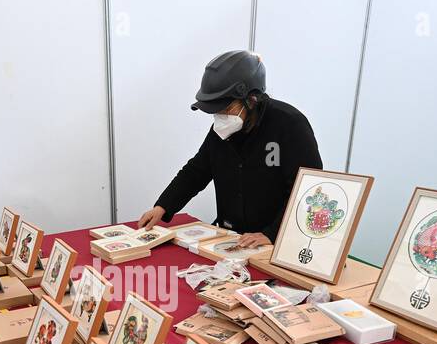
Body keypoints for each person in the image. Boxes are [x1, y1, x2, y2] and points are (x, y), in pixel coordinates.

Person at [138, 51, 322, 248]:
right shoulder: (225, 128)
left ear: (251, 100)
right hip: (232, 238)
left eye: (226, 109)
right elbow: (196, 171)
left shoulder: (289, 124)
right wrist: (163, 206)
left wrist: (272, 234)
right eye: (215, 111)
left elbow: (308, 189)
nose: (220, 116)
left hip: (275, 242)